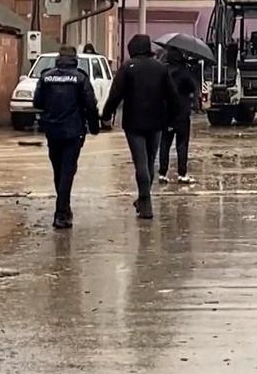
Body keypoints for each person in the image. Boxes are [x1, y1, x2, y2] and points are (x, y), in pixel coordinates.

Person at [102, 34, 181, 219]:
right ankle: (144, 199)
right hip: (157, 122)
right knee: (150, 161)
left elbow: (115, 95)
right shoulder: (161, 68)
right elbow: (173, 96)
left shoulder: (127, 68)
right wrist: (172, 119)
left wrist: (106, 115)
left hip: (134, 123)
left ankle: (145, 203)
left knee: (141, 162)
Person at [33, 45, 101, 229]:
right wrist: (94, 126)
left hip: (52, 130)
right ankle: (61, 212)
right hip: (73, 131)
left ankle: (64, 206)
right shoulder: (80, 77)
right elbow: (90, 105)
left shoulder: (46, 76)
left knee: (58, 169)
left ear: (58, 58)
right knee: (68, 171)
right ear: (75, 59)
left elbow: (37, 101)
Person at [158, 47, 198, 184]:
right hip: (181, 115)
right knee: (182, 144)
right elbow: (193, 87)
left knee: (164, 144)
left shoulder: (163, 72)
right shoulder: (184, 72)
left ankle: (162, 173)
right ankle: (182, 173)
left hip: (166, 114)